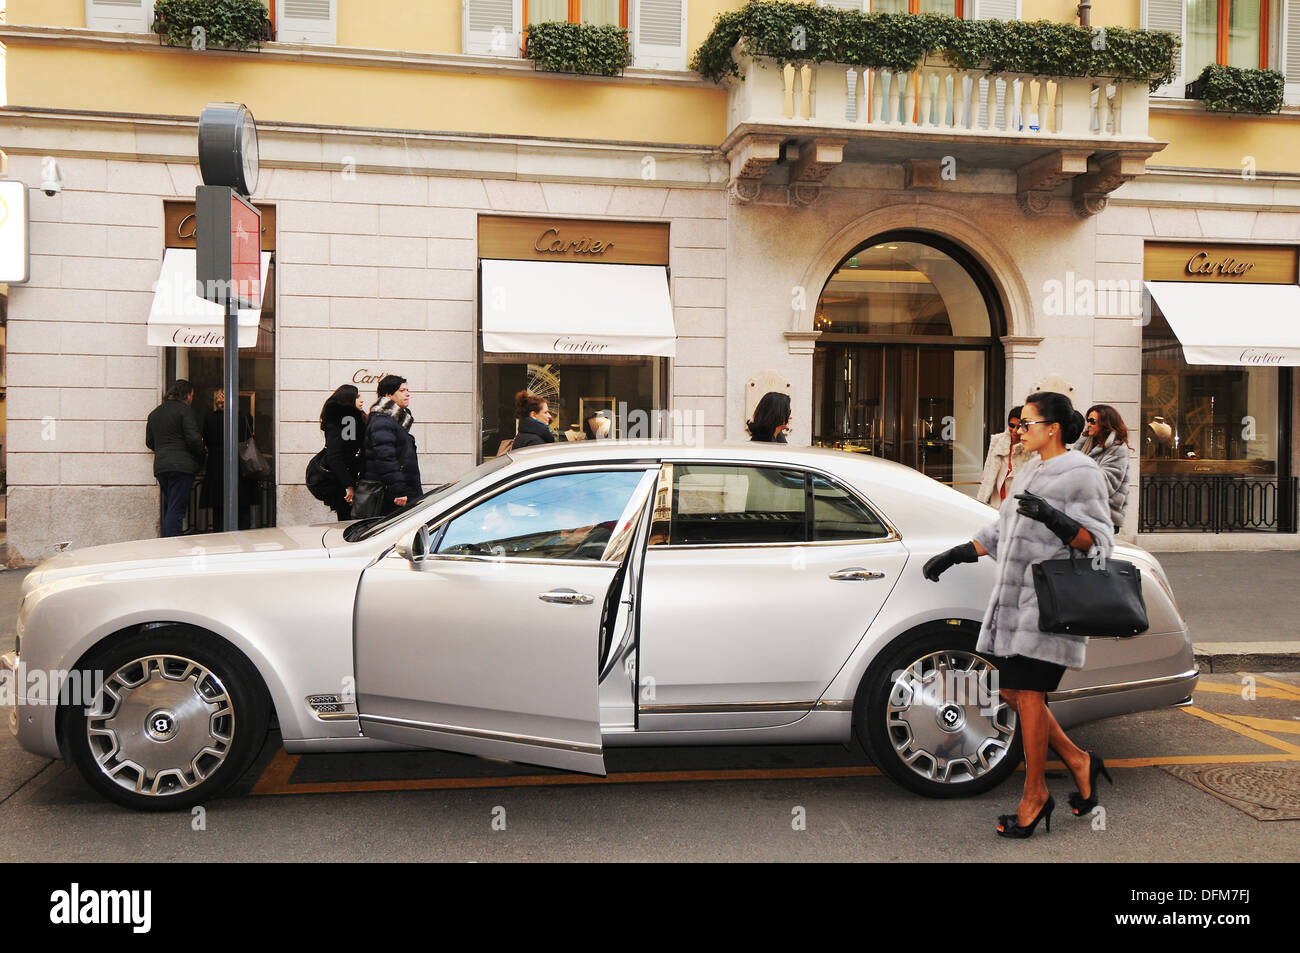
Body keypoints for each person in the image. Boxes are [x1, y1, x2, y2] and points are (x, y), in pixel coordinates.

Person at [922, 391, 1115, 839]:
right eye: (1018, 424)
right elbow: (1001, 528)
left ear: (1052, 428)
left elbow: (1099, 542)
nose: (1019, 430)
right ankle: (1079, 760)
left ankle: (1034, 796)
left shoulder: (1081, 473)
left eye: (1026, 424)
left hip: (1047, 605)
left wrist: (1055, 519)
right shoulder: (1032, 469)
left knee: (1027, 696)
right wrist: (957, 553)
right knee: (1012, 690)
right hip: (1015, 605)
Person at [145, 379, 205, 538]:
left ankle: (168, 542)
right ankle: (171, 547)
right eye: (192, 395)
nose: (192, 399)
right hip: (181, 467)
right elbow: (193, 439)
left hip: (162, 467)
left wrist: (164, 451)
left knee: (170, 507)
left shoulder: (154, 413)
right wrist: (201, 458)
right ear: (187, 395)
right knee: (177, 509)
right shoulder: (185, 411)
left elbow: (149, 442)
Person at [363, 375, 422, 515]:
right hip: (393, 496)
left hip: (401, 490)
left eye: (407, 390)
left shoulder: (394, 420)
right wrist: (399, 491)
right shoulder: (382, 421)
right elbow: (385, 458)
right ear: (388, 395)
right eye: (402, 391)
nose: (407, 394)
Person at [201, 388, 255, 531]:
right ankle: (243, 536)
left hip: (216, 465)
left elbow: (205, 440)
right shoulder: (245, 417)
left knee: (219, 507)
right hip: (240, 463)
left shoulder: (209, 418)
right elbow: (249, 436)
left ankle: (221, 536)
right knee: (242, 506)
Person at [1075, 404, 1131, 533]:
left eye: (1092, 421)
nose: (1088, 424)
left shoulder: (1117, 448)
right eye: (1087, 420)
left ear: (1105, 423)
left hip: (1104, 516)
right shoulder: (1085, 443)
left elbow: (1107, 484)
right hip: (1083, 513)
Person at [320, 383, 365, 521]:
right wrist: (348, 486)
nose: (362, 400)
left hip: (350, 477)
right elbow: (336, 457)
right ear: (348, 400)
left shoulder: (349, 422)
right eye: (357, 397)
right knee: (347, 521)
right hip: (342, 482)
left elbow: (349, 452)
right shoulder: (338, 423)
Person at [977, 405, 1030, 508]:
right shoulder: (997, 440)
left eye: (1018, 426)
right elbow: (987, 470)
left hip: (1016, 503)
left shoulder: (1028, 447)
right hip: (996, 500)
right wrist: (982, 499)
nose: (1014, 430)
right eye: (1011, 425)